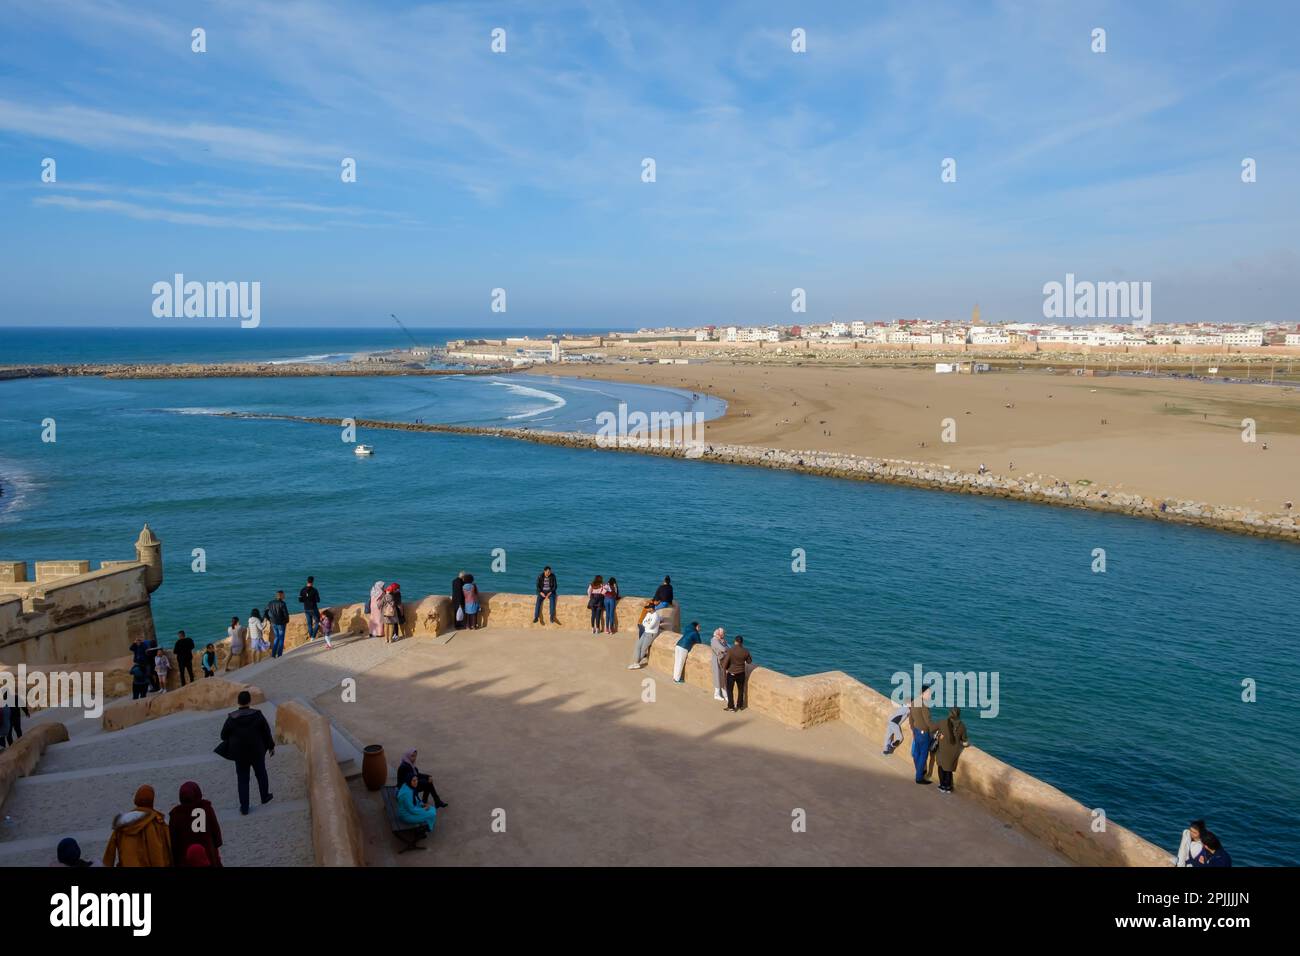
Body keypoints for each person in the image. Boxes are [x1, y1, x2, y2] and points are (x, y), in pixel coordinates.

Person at [219, 690, 275, 816]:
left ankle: (244, 807)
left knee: (243, 779)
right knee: (261, 773)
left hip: (240, 754)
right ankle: (264, 796)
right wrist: (271, 746)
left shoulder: (231, 718)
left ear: (238, 702)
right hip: (257, 751)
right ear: (249, 701)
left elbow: (223, 735)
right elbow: (266, 732)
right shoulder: (257, 715)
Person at [103, 785, 172, 867]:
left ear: (136, 800)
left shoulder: (122, 824)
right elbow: (164, 851)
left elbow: (109, 855)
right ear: (152, 801)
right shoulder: (157, 823)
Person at [169, 780, 223, 867]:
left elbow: (174, 841)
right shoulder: (206, 808)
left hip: (185, 857)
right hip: (208, 853)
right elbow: (216, 832)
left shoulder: (176, 814)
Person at [932, 707, 969, 793]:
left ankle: (942, 785)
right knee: (949, 769)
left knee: (941, 766)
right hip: (953, 752)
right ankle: (948, 787)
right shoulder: (962, 726)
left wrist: (938, 735)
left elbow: (932, 729)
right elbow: (964, 740)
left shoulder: (942, 722)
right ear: (958, 715)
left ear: (949, 714)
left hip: (942, 750)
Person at [908, 684, 937, 785]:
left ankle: (918, 770)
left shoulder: (914, 702)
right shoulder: (924, 705)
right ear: (923, 693)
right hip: (924, 733)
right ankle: (919, 777)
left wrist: (912, 729)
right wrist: (938, 728)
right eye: (928, 693)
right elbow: (928, 721)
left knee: (916, 753)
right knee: (923, 755)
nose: (930, 695)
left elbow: (911, 718)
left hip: (916, 731)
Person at [721, 635, 752, 712]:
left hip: (732, 673)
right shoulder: (746, 651)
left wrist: (726, 668)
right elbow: (749, 661)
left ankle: (731, 706)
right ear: (742, 642)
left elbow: (725, 663)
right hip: (741, 673)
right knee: (741, 689)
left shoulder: (731, 650)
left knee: (730, 690)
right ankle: (740, 705)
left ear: (735, 641)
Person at [628, 602, 660, 668]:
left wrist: (646, 624)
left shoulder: (656, 616)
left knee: (643, 649)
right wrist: (647, 624)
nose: (646, 609)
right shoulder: (648, 614)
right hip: (646, 632)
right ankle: (636, 663)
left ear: (651, 608)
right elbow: (643, 622)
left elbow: (651, 626)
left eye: (647, 608)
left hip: (651, 634)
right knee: (638, 646)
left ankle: (636, 663)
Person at [264, 590, 290, 658]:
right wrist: (286, 621)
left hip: (273, 623)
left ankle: (273, 654)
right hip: (281, 623)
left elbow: (265, 612)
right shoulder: (282, 603)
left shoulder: (270, 603)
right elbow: (286, 614)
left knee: (277, 638)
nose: (284, 596)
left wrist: (269, 619)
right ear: (281, 596)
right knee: (281, 639)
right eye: (283, 595)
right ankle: (279, 655)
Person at [298, 575, 321, 640]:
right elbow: (318, 600)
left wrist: (306, 599)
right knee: (318, 622)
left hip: (306, 609)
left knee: (309, 624)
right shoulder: (314, 590)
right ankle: (313, 636)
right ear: (313, 582)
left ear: (307, 581)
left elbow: (300, 600)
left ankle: (311, 636)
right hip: (313, 608)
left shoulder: (302, 590)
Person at [710, 628, 729, 703]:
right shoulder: (714, 640)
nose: (724, 635)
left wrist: (725, 645)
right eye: (723, 634)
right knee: (718, 677)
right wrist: (726, 646)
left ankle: (722, 694)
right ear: (719, 634)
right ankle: (717, 695)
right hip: (717, 661)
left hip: (720, 661)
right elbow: (724, 649)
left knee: (720, 677)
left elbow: (726, 647)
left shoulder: (720, 640)